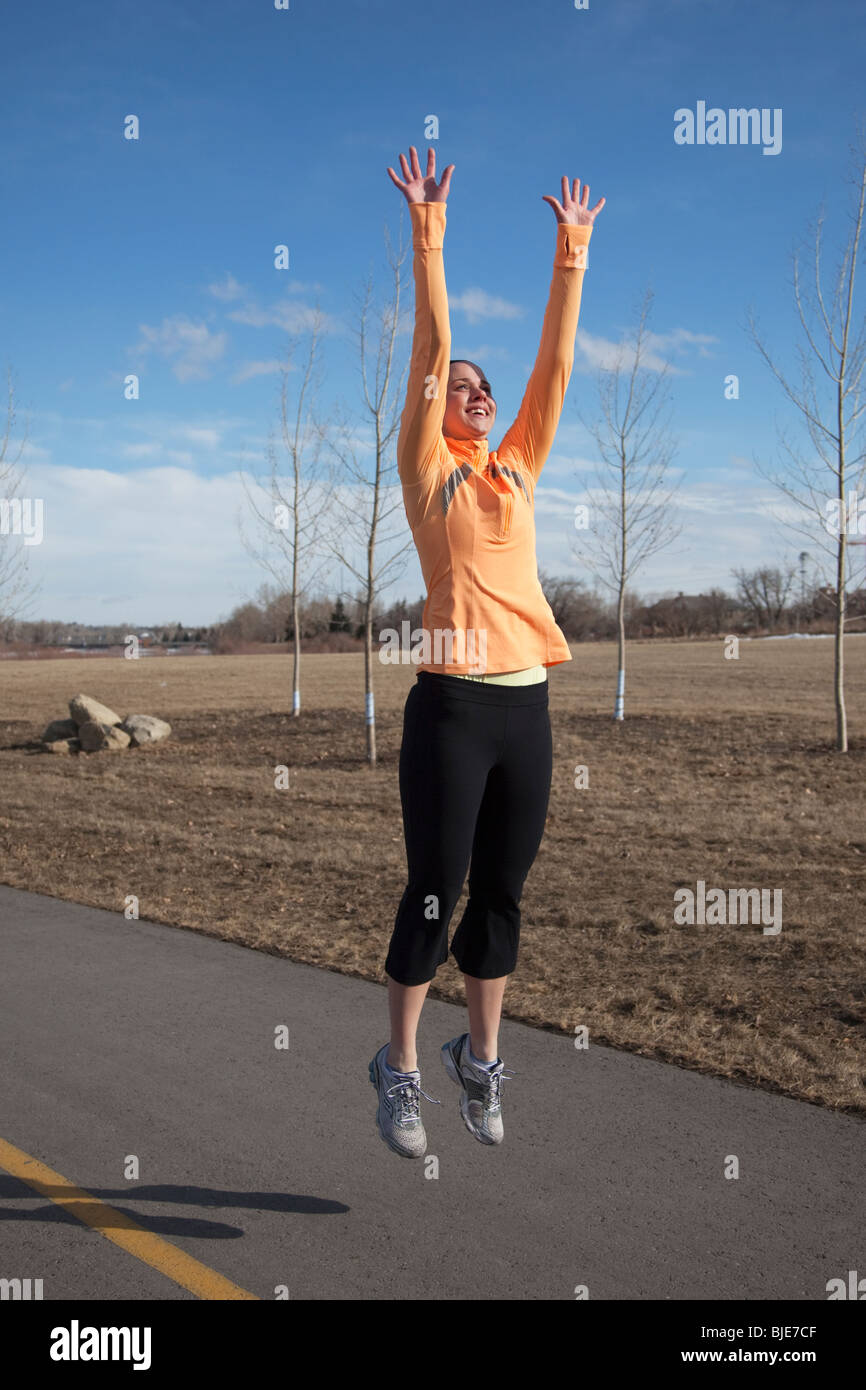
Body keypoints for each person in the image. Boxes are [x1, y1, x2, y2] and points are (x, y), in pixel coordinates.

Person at [369, 145, 605, 1158]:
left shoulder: (514, 465)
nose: (470, 390)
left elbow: (552, 368)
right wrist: (429, 234)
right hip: (454, 709)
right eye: (457, 386)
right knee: (437, 884)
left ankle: (480, 1058)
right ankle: (400, 1067)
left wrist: (571, 252)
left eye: (479, 387)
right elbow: (432, 340)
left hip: (526, 709)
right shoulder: (430, 473)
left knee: (503, 889)